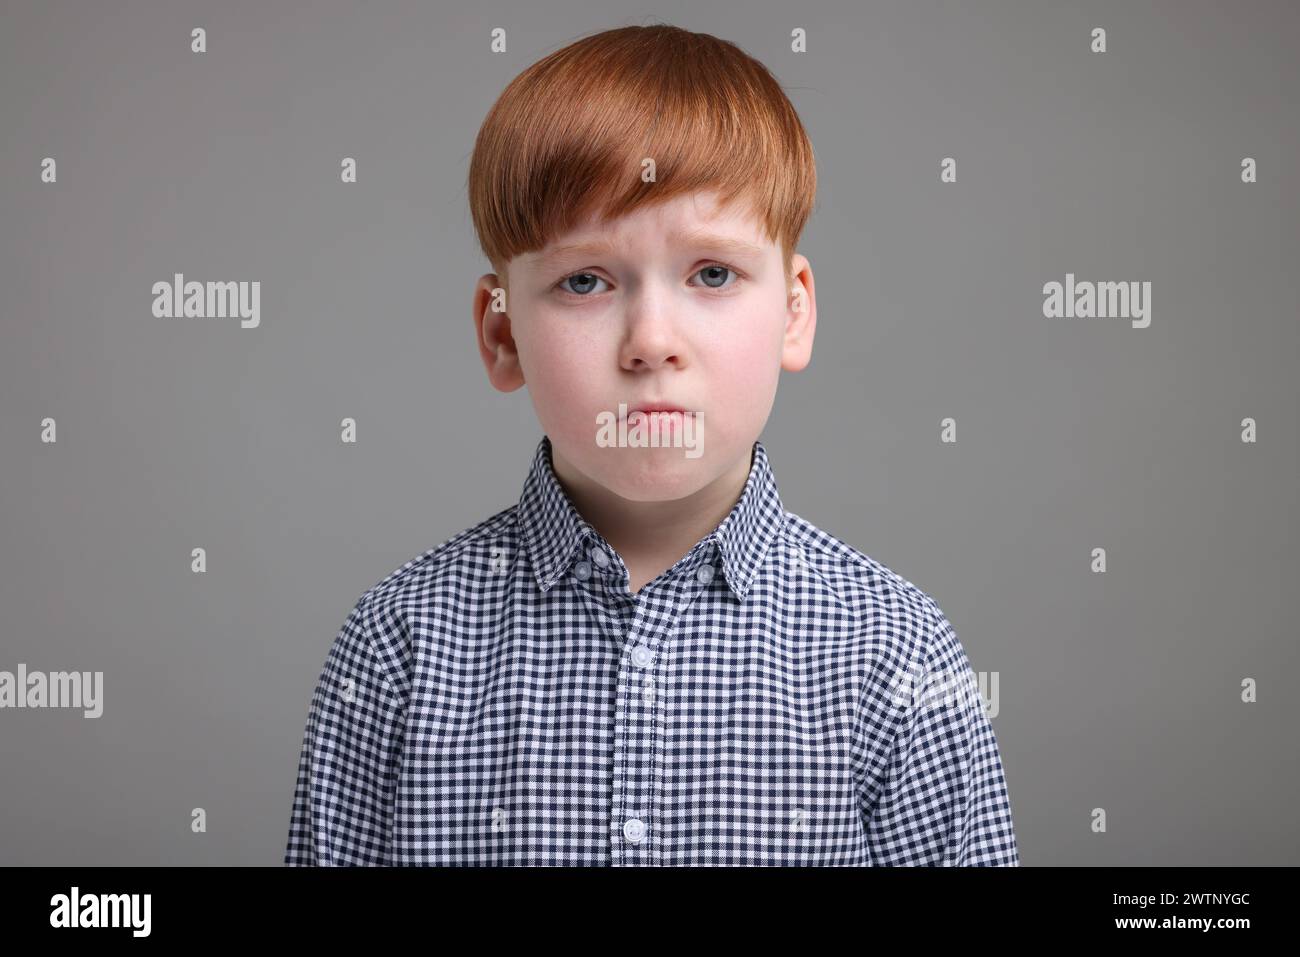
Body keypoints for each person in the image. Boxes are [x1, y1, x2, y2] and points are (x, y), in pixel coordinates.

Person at [285, 23, 1019, 866]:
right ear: (502, 336)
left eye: (712, 273)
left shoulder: (896, 652)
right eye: (585, 281)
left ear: (794, 309)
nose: (651, 340)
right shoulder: (399, 648)